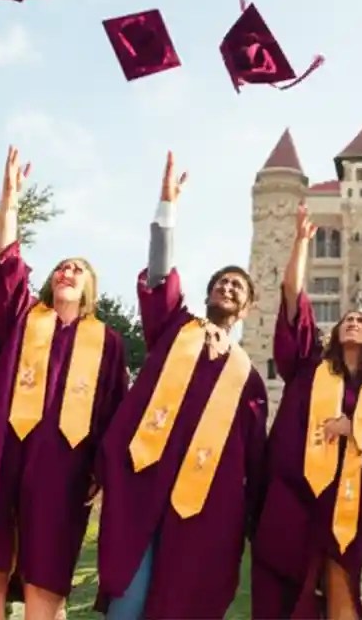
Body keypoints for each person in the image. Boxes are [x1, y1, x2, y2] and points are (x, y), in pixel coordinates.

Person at [96, 151, 269, 619]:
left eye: (238, 288)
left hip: (203, 503)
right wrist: (166, 210)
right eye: (222, 283)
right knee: (128, 598)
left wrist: (246, 515)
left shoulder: (247, 376)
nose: (228, 289)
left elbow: (252, 453)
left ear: (247, 309)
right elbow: (158, 277)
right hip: (143, 479)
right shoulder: (175, 328)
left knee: (179, 601)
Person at [0, 147, 129, 620]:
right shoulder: (22, 317)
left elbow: (116, 412)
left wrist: (101, 470)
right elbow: (4, 261)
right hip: (7, 452)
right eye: (62, 266)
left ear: (90, 287)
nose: (66, 271)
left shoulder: (107, 342)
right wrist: (10, 199)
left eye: (78, 268)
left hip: (66, 463)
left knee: (46, 571)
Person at [250, 199, 362, 619]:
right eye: (347, 319)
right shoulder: (309, 368)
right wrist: (299, 242)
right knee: (284, 596)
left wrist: (358, 429)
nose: (352, 321)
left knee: (341, 593)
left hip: (345, 505)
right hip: (295, 501)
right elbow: (293, 300)